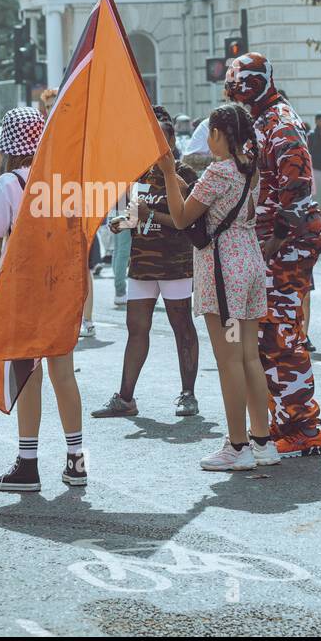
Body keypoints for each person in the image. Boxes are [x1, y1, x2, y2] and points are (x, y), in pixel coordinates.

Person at [160, 103, 278, 470]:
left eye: (210, 132)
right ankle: (262, 442)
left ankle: (237, 446)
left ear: (218, 135)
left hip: (224, 270)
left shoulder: (218, 171)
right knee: (248, 357)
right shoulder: (248, 170)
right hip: (249, 263)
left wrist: (167, 174)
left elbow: (180, 218)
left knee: (228, 361)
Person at [224, 52, 321, 457]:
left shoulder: (280, 123)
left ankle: (305, 428)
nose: (234, 88)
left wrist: (268, 248)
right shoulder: (259, 120)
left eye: (239, 81)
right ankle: (277, 426)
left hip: (285, 247)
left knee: (283, 338)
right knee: (265, 338)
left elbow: (298, 193)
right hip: (268, 244)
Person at [0, 107, 88, 491]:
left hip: (24, 291)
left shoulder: (7, 184)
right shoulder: (65, 182)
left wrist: (6, 275)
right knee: (64, 372)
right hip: (62, 286)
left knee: (27, 374)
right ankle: (76, 461)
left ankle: (28, 464)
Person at [94, 107, 200, 420]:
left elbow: (185, 222)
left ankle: (188, 395)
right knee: (136, 329)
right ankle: (125, 398)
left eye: (159, 140)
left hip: (174, 264)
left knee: (182, 327)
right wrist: (121, 222)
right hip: (142, 264)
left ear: (170, 143)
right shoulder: (138, 174)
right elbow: (136, 215)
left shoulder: (183, 174)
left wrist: (147, 215)